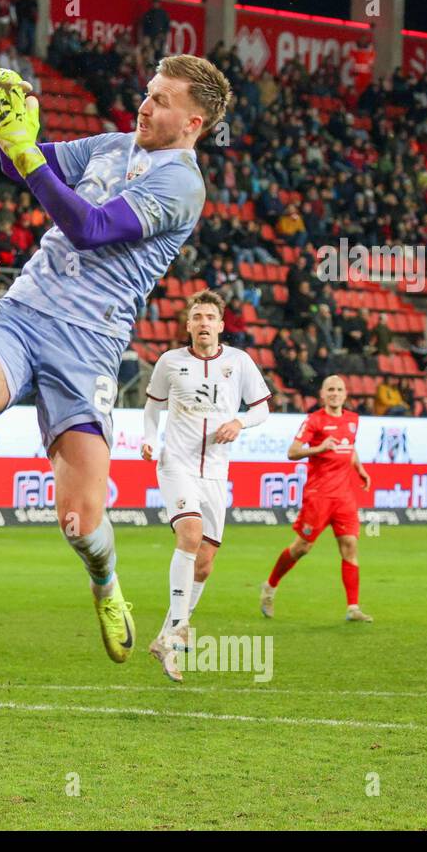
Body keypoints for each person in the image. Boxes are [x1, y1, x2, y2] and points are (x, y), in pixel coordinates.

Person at [0, 56, 231, 666]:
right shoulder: (112, 143)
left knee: (79, 523)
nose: (145, 104)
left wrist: (27, 150)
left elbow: (88, 226)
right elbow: (20, 166)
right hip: (24, 310)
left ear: (194, 121)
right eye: (147, 91)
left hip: (89, 345)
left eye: (162, 101)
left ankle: (107, 587)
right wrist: (12, 137)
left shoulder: (182, 186)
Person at [140, 290, 272, 682]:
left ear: (221, 324)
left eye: (209, 317)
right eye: (196, 316)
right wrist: (149, 438)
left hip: (215, 473)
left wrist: (240, 422)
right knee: (191, 534)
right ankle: (178, 634)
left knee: (205, 563)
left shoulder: (239, 362)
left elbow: (262, 407)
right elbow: (152, 408)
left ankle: (164, 637)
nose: (202, 323)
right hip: (177, 464)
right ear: (188, 325)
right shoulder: (170, 362)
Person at [260, 375, 374, 623]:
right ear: (322, 394)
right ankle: (270, 586)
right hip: (318, 496)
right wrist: (319, 449)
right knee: (302, 548)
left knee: (350, 547)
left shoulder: (353, 420)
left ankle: (353, 607)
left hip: (344, 496)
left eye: (339, 389)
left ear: (346, 394)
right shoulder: (314, 420)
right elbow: (292, 452)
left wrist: (360, 468)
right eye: (330, 389)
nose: (335, 393)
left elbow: (349, 447)